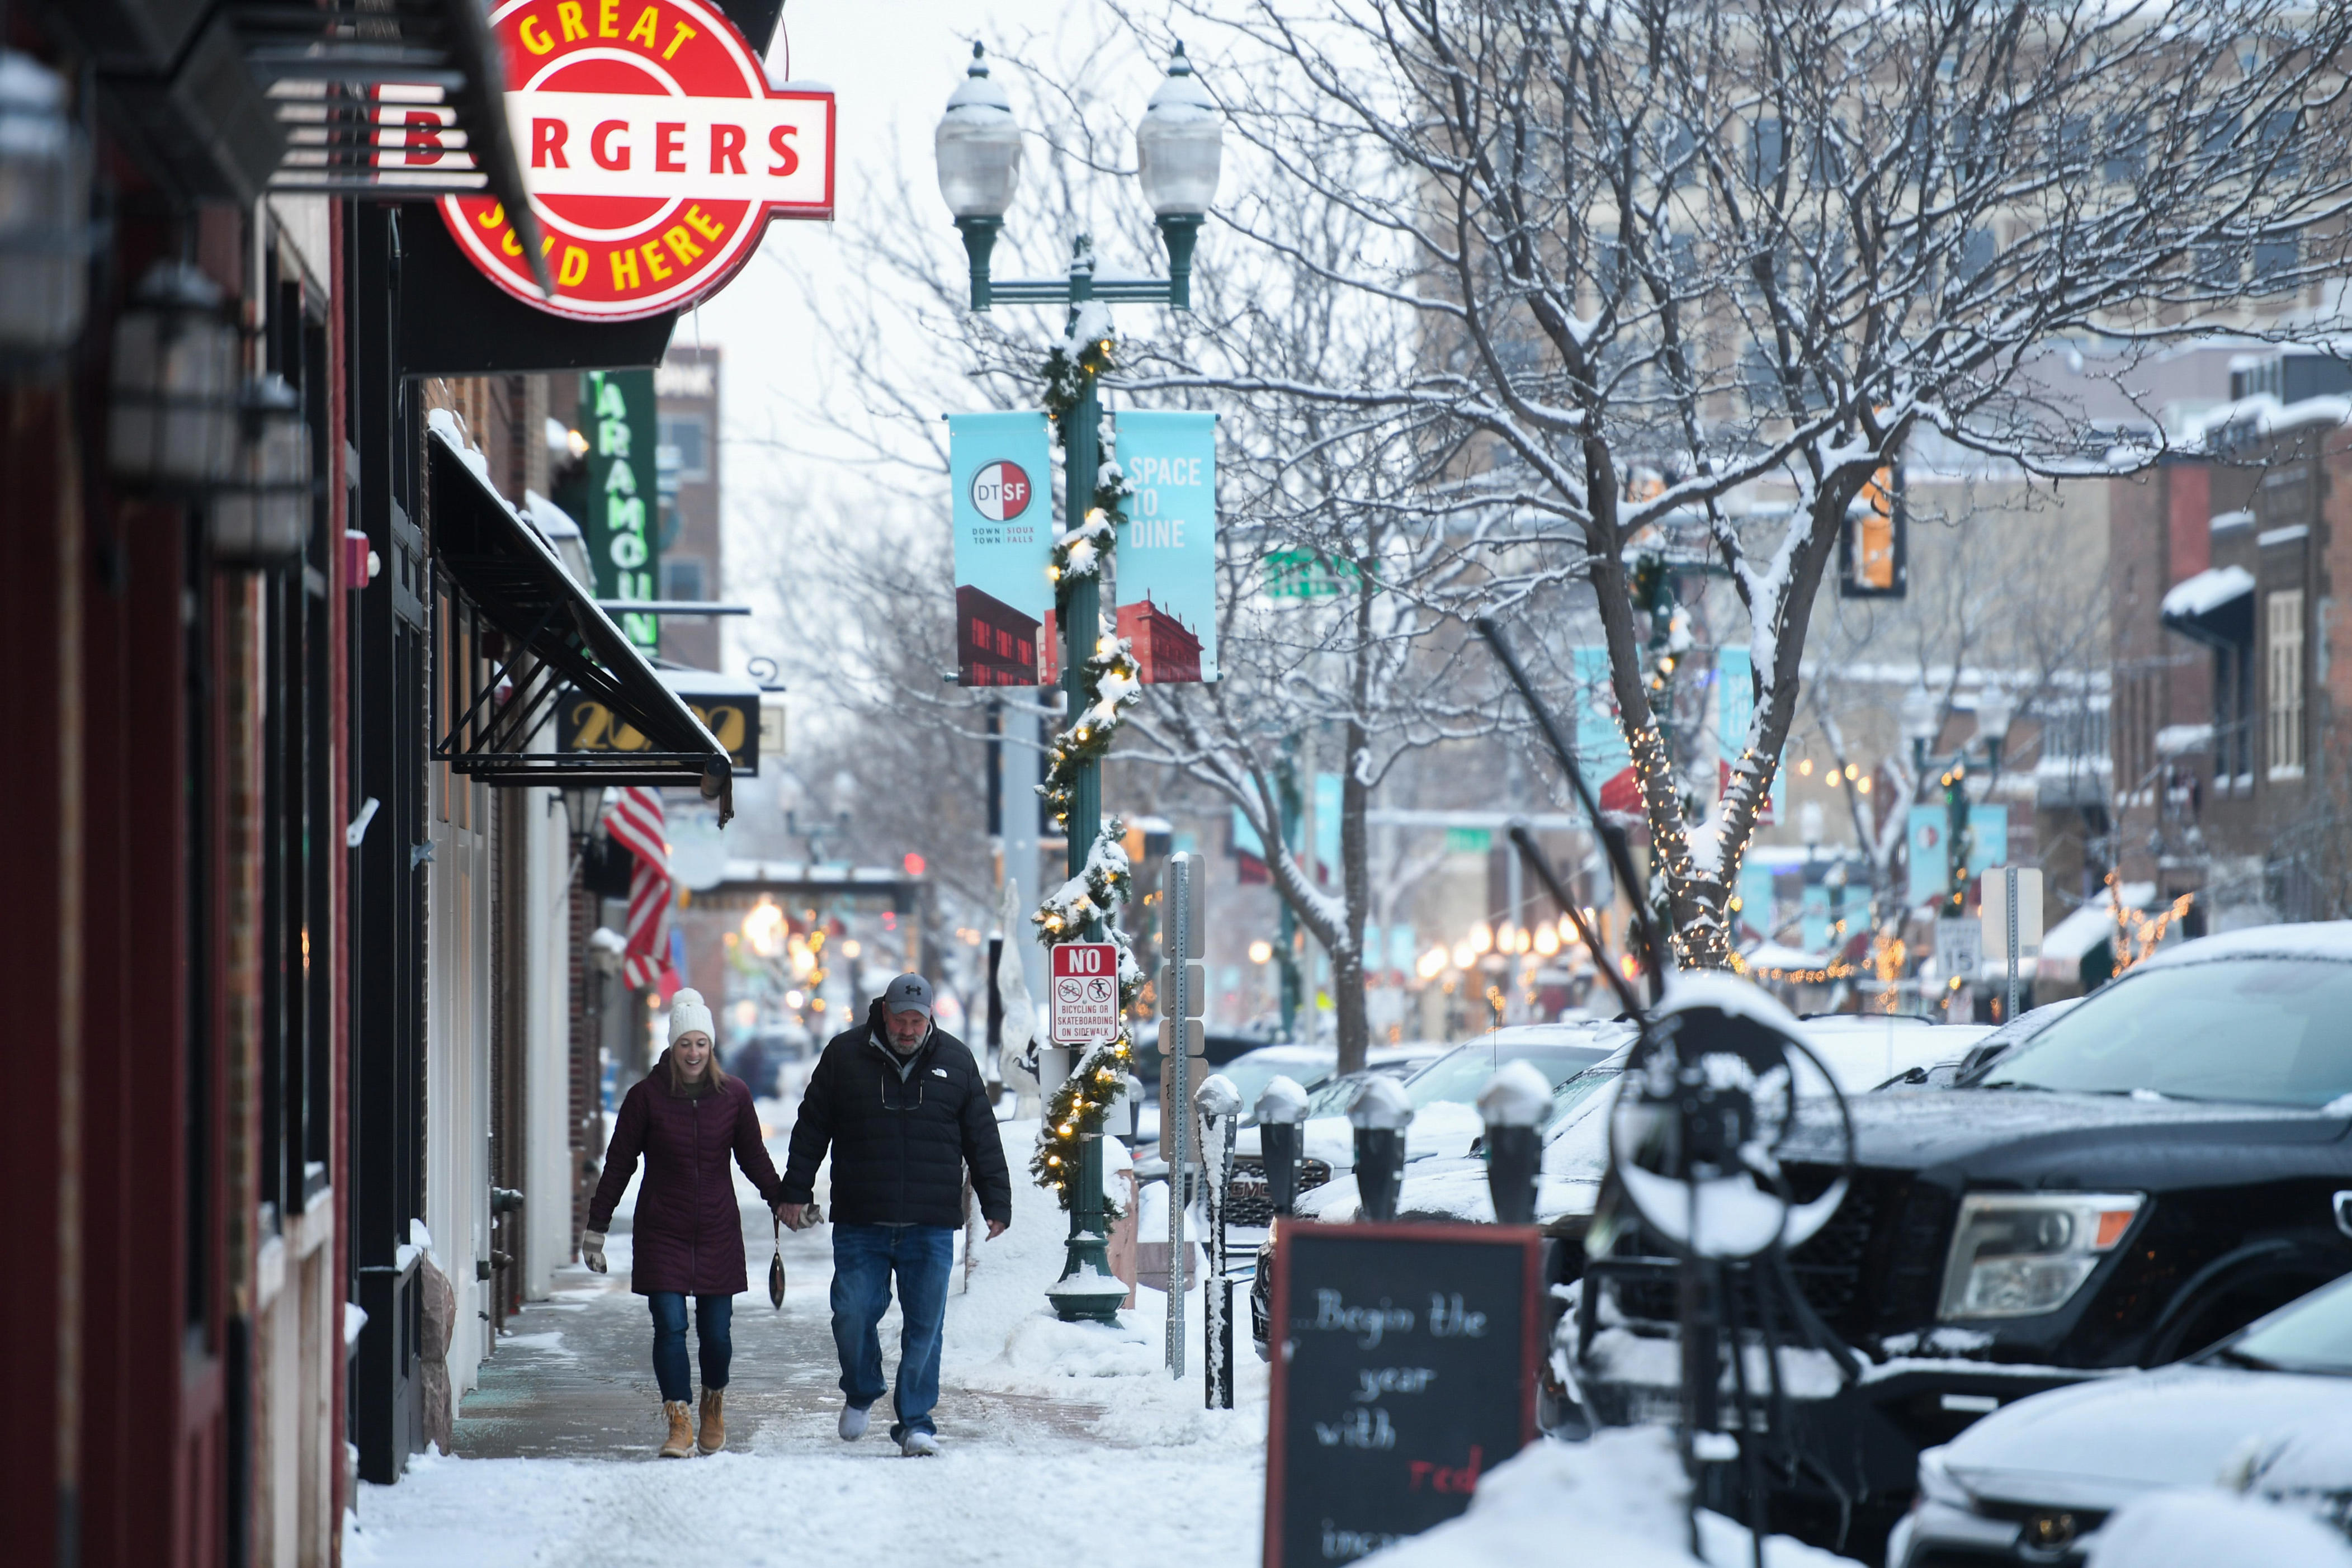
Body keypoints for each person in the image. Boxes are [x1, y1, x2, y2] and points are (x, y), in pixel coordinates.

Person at [778, 972, 1012, 1457]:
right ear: (883, 1012)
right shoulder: (845, 1055)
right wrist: (794, 1191)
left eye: (916, 1022)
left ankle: (916, 1424)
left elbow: (982, 1136)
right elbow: (812, 1126)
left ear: (930, 1018)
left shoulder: (956, 1061)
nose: (907, 1031)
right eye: (900, 1020)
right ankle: (862, 1388)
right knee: (852, 1313)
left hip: (930, 1222)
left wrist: (996, 1201)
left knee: (925, 1326)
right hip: (862, 1218)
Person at [582, 989, 785, 1459]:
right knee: (670, 1326)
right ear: (672, 1047)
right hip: (662, 1230)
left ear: (711, 1047)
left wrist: (784, 1202)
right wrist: (597, 1228)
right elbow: (619, 1165)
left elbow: (754, 1157)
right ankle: (678, 1420)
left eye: (701, 1044)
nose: (693, 1053)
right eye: (685, 1044)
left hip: (717, 1230)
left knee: (717, 1334)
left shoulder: (733, 1096)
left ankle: (713, 1404)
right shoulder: (645, 1098)